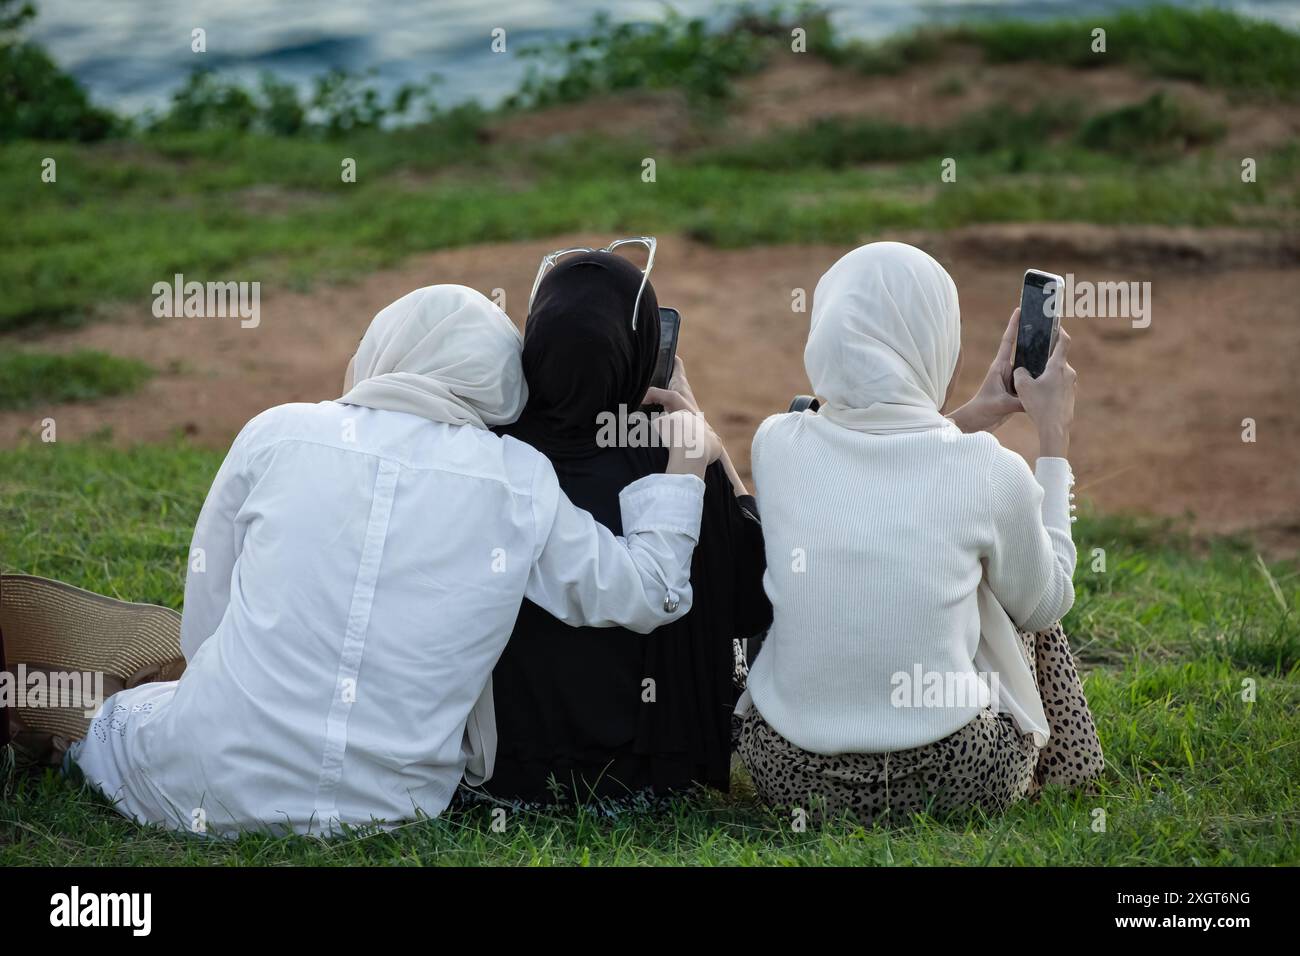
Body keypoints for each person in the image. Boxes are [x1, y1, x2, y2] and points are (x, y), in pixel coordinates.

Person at [67, 284, 722, 837]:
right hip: (393, 808)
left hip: (200, 785)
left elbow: (206, 610)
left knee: (104, 705)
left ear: (382, 350)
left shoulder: (280, 431)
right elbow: (648, 591)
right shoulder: (517, 478)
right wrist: (688, 459)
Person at [737, 241, 1104, 823]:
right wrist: (1053, 437)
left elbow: (882, 467)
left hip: (789, 775)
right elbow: (1048, 603)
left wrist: (978, 410)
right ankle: (1070, 768)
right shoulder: (988, 470)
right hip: (956, 775)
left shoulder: (776, 444)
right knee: (1023, 579)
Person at [481, 252, 771, 805]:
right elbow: (753, 600)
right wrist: (708, 447)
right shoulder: (670, 451)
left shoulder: (488, 450)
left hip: (502, 770)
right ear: (636, 351)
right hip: (643, 778)